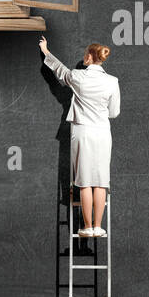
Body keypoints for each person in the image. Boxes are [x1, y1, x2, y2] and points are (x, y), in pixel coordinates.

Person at [40, 37, 120, 238]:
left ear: (90, 57)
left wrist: (46, 51)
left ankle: (87, 226)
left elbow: (59, 72)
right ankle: (98, 226)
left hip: (83, 132)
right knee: (101, 180)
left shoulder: (78, 77)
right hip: (102, 132)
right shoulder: (112, 82)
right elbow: (114, 112)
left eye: (86, 53)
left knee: (84, 181)